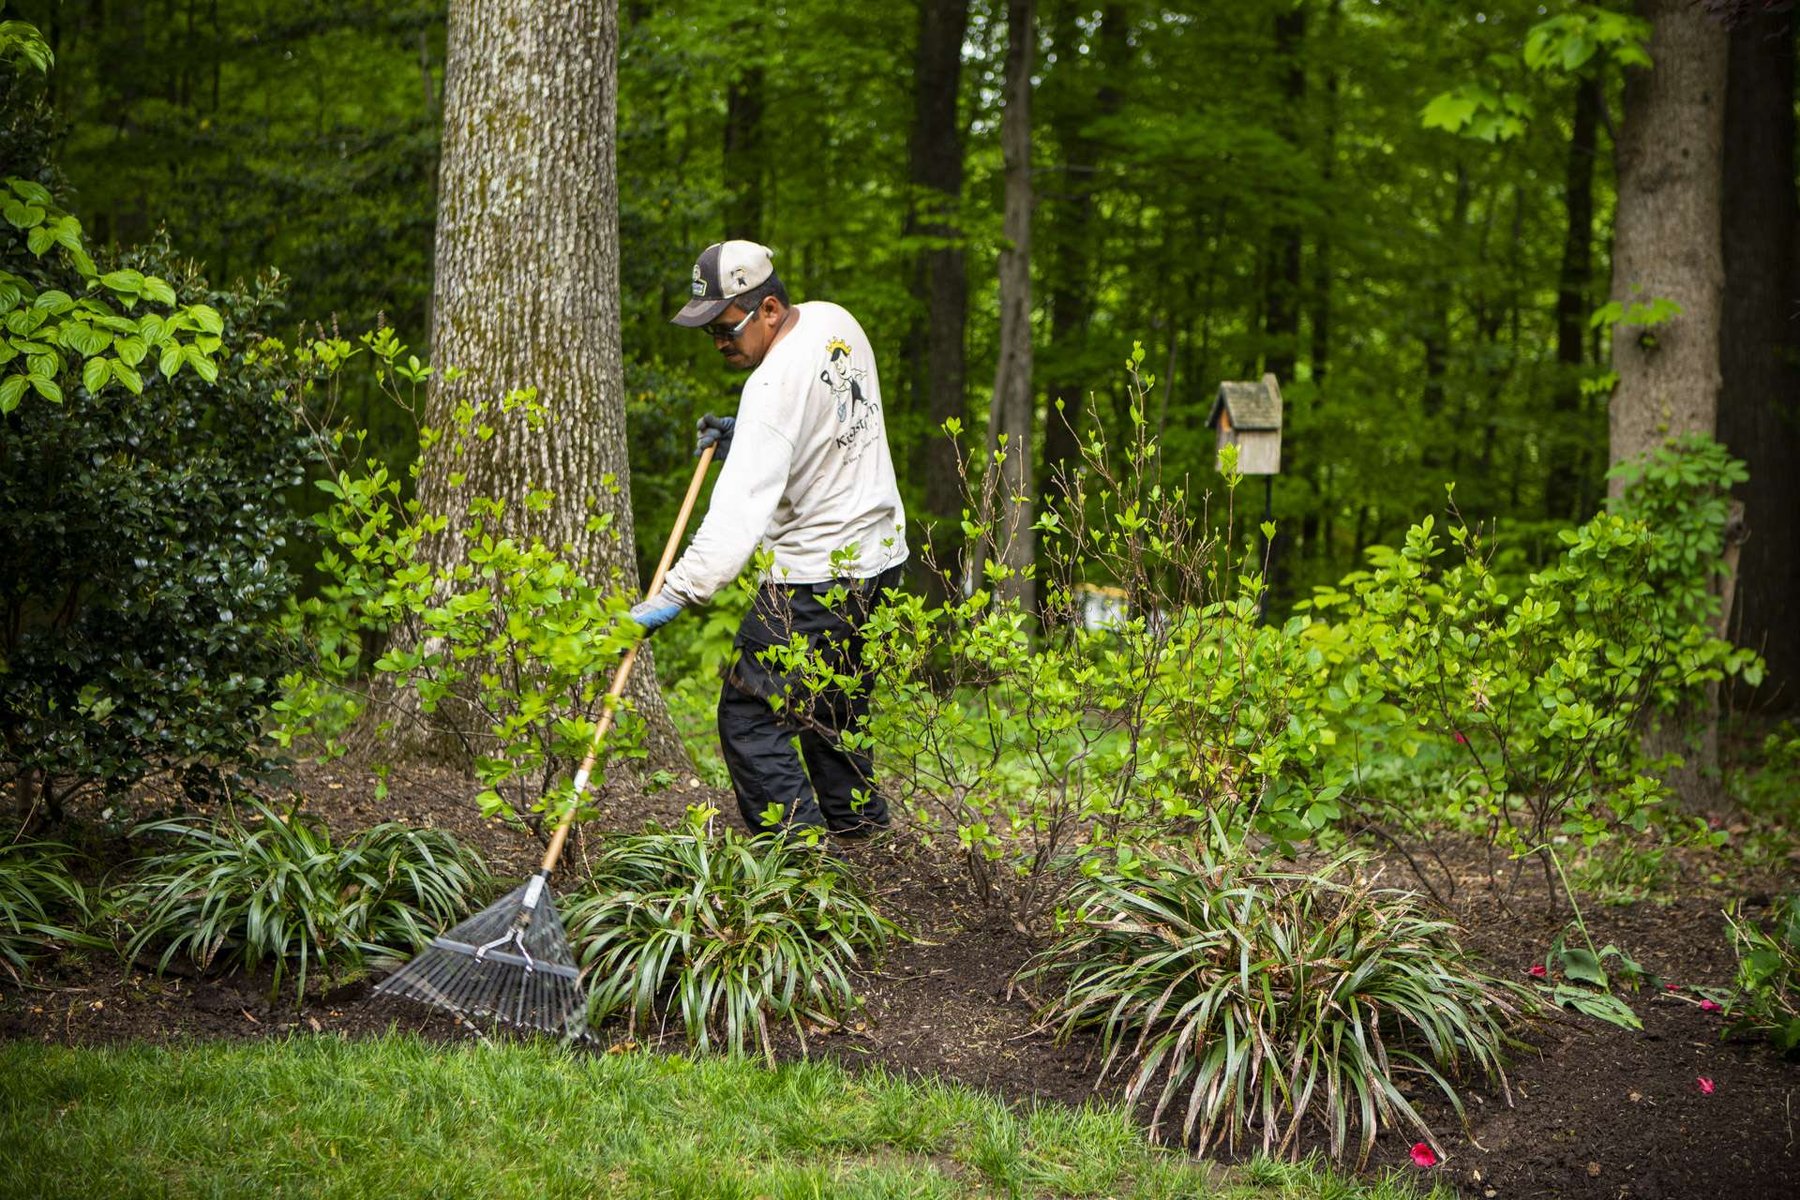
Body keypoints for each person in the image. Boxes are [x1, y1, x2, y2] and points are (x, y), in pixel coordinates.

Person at [629, 240, 908, 839]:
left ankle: (800, 863)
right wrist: (749, 440)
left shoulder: (767, 392)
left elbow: (735, 520)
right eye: (710, 334)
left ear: (771, 309)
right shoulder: (836, 323)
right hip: (881, 561)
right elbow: (828, 418)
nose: (721, 344)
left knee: (751, 717)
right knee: (833, 707)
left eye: (727, 328)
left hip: (814, 575)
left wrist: (674, 595)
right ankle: (861, 832)